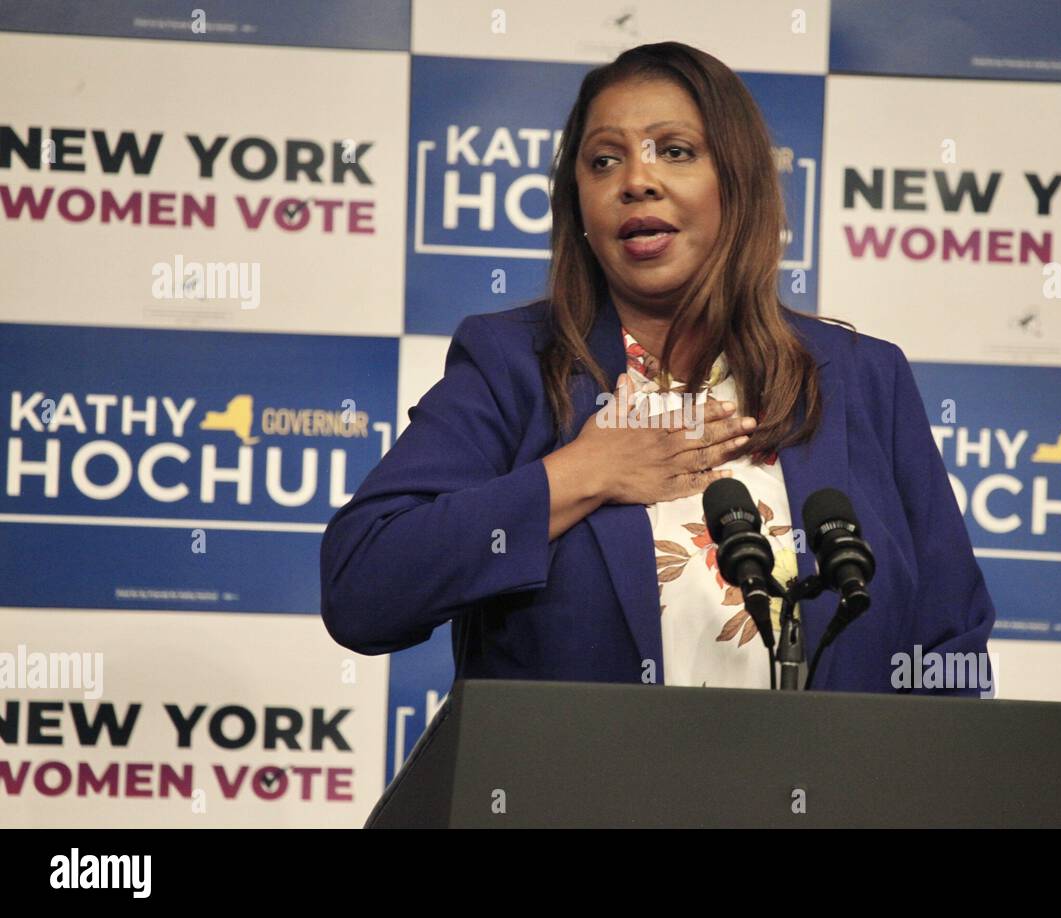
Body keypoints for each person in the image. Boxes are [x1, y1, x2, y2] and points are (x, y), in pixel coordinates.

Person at [320, 41, 995, 694]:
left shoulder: (861, 379)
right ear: (578, 205)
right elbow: (364, 588)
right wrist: (580, 474)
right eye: (604, 160)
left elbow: (950, 652)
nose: (636, 181)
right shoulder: (516, 367)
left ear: (738, 182)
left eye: (674, 151)